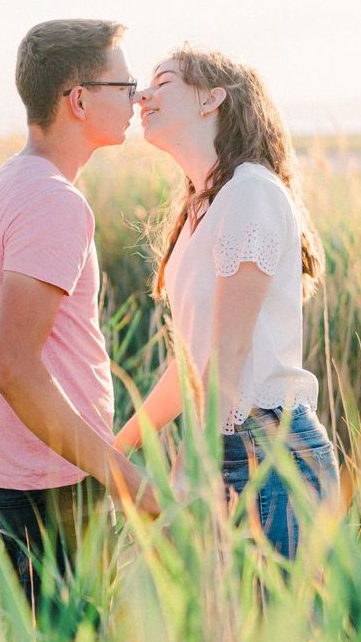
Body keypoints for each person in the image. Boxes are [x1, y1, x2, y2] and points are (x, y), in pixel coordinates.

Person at [0, 18, 159, 607]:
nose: (136, 98)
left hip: (27, 478)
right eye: (124, 87)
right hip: (55, 489)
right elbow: (13, 367)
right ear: (78, 99)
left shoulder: (7, 183)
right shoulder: (54, 202)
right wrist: (125, 479)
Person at [115, 46, 338, 557]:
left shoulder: (251, 191)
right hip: (228, 445)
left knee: (277, 634)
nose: (143, 94)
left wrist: (191, 462)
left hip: (272, 455)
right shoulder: (204, 206)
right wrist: (119, 447)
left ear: (212, 100)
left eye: (164, 82)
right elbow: (193, 360)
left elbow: (231, 350)